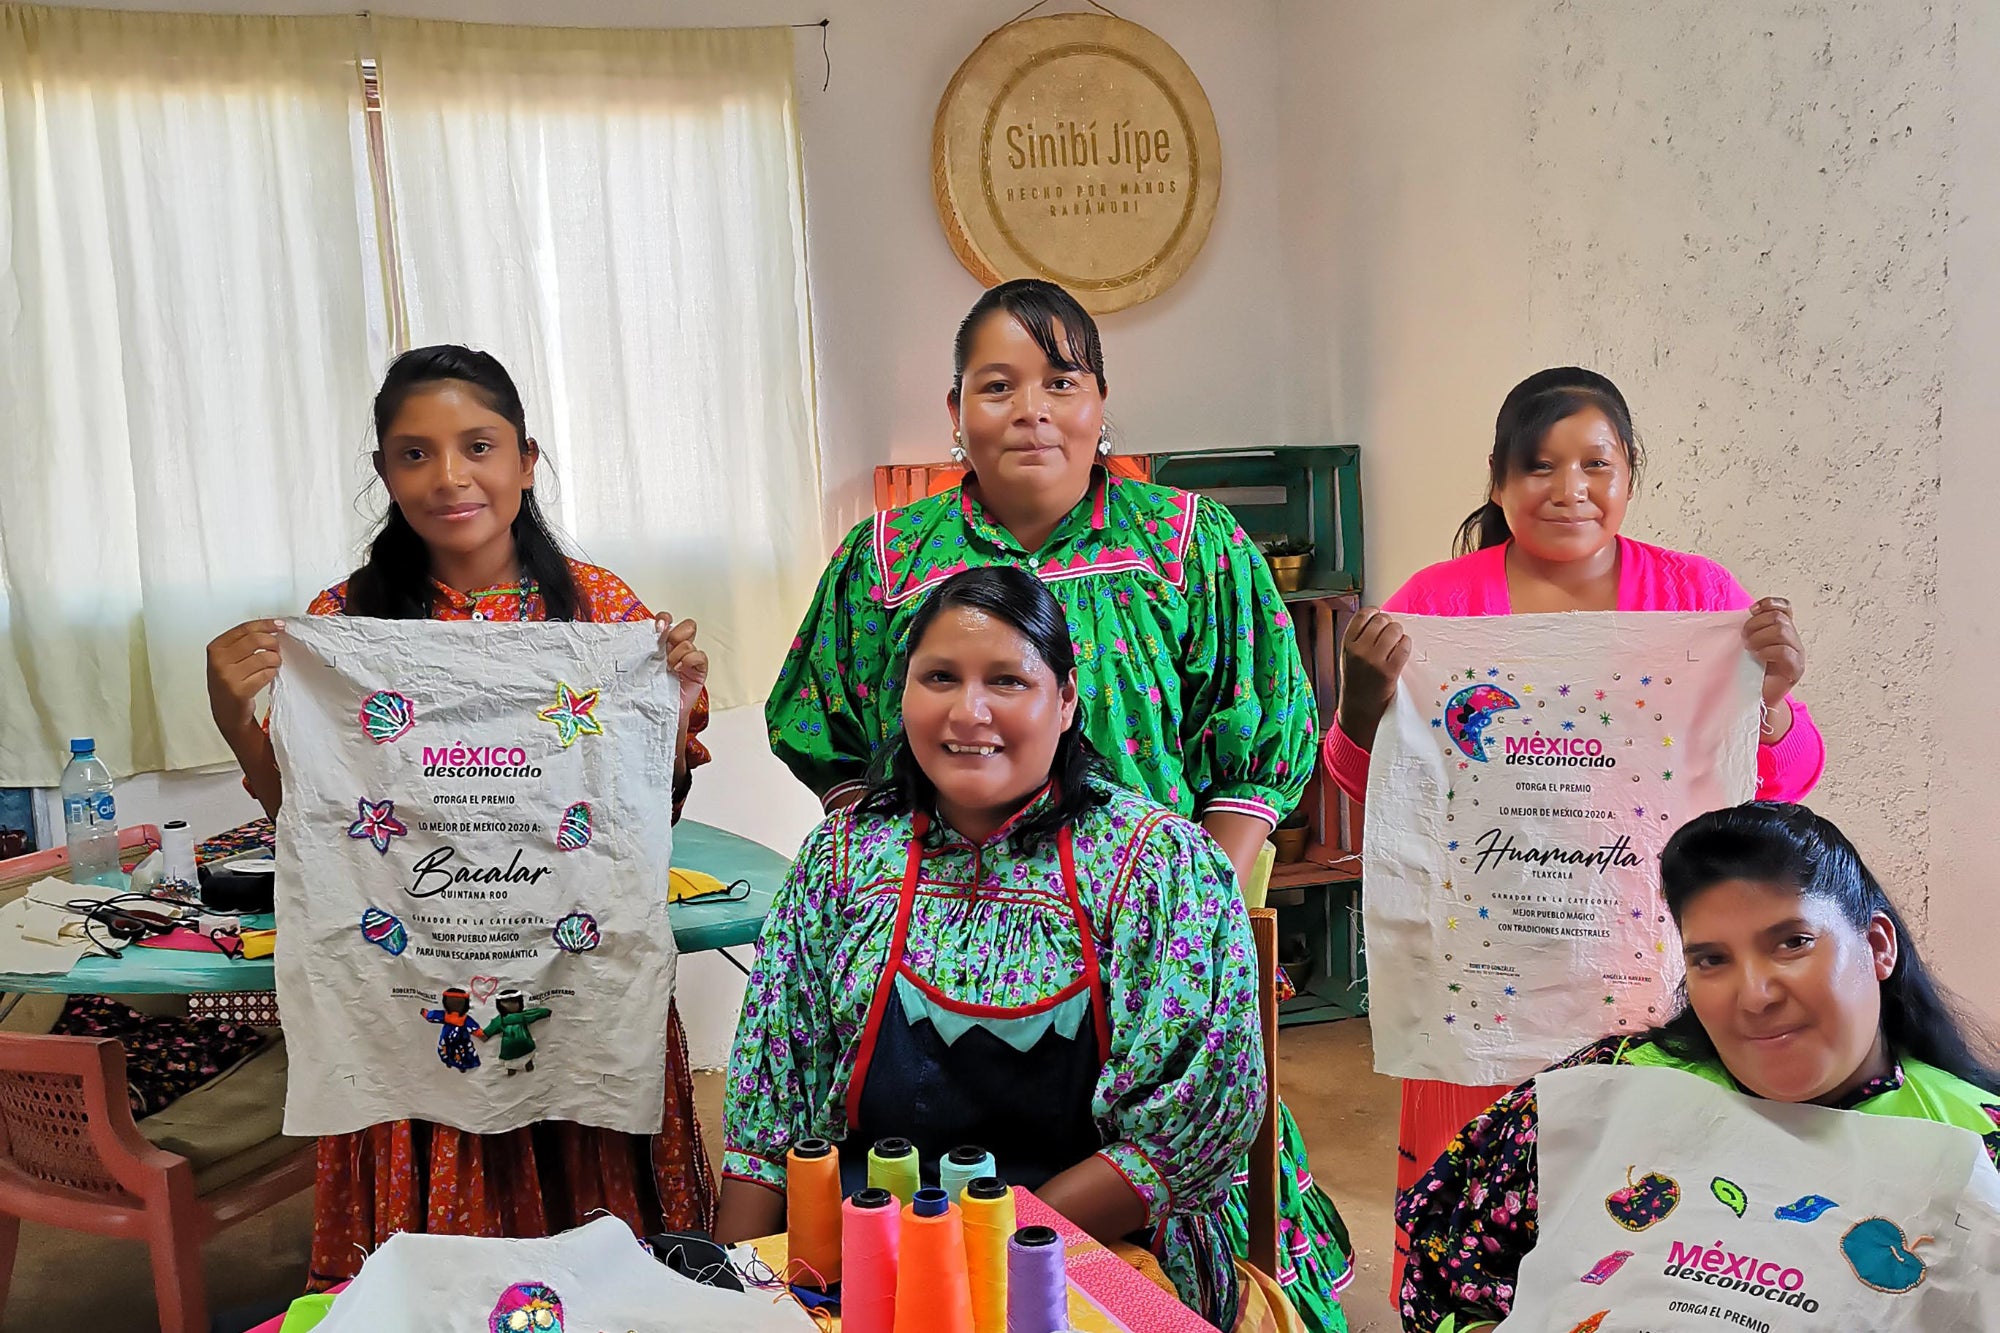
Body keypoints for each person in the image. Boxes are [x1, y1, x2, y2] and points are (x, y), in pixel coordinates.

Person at [766, 279, 1352, 1328]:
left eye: (1059, 381)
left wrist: (1196, 904)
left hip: (1145, 934)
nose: (1029, 407)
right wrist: (899, 881)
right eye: (997, 385)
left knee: (1172, 1150)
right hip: (936, 902)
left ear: (1098, 402)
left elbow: (1257, 725)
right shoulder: (886, 560)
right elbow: (827, 726)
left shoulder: (1190, 542)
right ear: (954, 410)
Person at [203, 344, 716, 1285]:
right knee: (433, 1281)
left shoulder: (604, 616)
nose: (449, 478)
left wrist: (669, 715)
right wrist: (239, 725)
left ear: (526, 458)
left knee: (605, 1266)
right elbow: (318, 830)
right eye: (414, 453)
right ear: (383, 472)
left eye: (477, 446)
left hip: (571, 972)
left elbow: (646, 825)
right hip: (415, 981)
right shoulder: (346, 625)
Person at [1321, 367, 1827, 1288]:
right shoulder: (1437, 606)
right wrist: (1359, 708)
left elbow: (1776, 788)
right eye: (1539, 465)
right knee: (1476, 1216)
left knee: (1648, 1221)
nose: (1569, 490)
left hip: (1646, 965)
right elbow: (1375, 792)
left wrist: (1776, 703)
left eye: (1596, 463)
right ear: (1497, 478)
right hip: (1485, 969)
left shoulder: (1698, 601)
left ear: (1630, 470)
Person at [722, 567, 1289, 1329]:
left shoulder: (1159, 866)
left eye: (1008, 680)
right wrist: (727, 1295)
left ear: (1066, 700)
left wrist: (983, 1247)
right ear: (904, 694)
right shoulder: (841, 862)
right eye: (940, 677)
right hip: (863, 1258)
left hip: (1103, 1241)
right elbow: (768, 1130)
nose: (969, 711)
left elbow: (1186, 1129)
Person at [1395, 802, 2000, 1332]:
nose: (1756, 994)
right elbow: (1443, 1282)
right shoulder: (1610, 1088)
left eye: (1793, 942)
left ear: (1877, 946)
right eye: (1712, 960)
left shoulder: (1976, 1144)